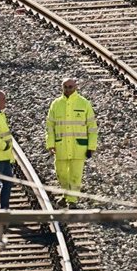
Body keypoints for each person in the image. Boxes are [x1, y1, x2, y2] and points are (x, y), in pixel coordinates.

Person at [45, 77, 98, 207]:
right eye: (66, 87)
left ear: (76, 87)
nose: (68, 89)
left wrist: (91, 146)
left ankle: (72, 201)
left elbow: (92, 126)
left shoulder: (84, 103)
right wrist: (50, 144)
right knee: (61, 173)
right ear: (62, 88)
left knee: (75, 175)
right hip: (61, 146)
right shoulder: (56, 104)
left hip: (78, 147)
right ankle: (66, 194)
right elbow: (50, 126)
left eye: (71, 87)